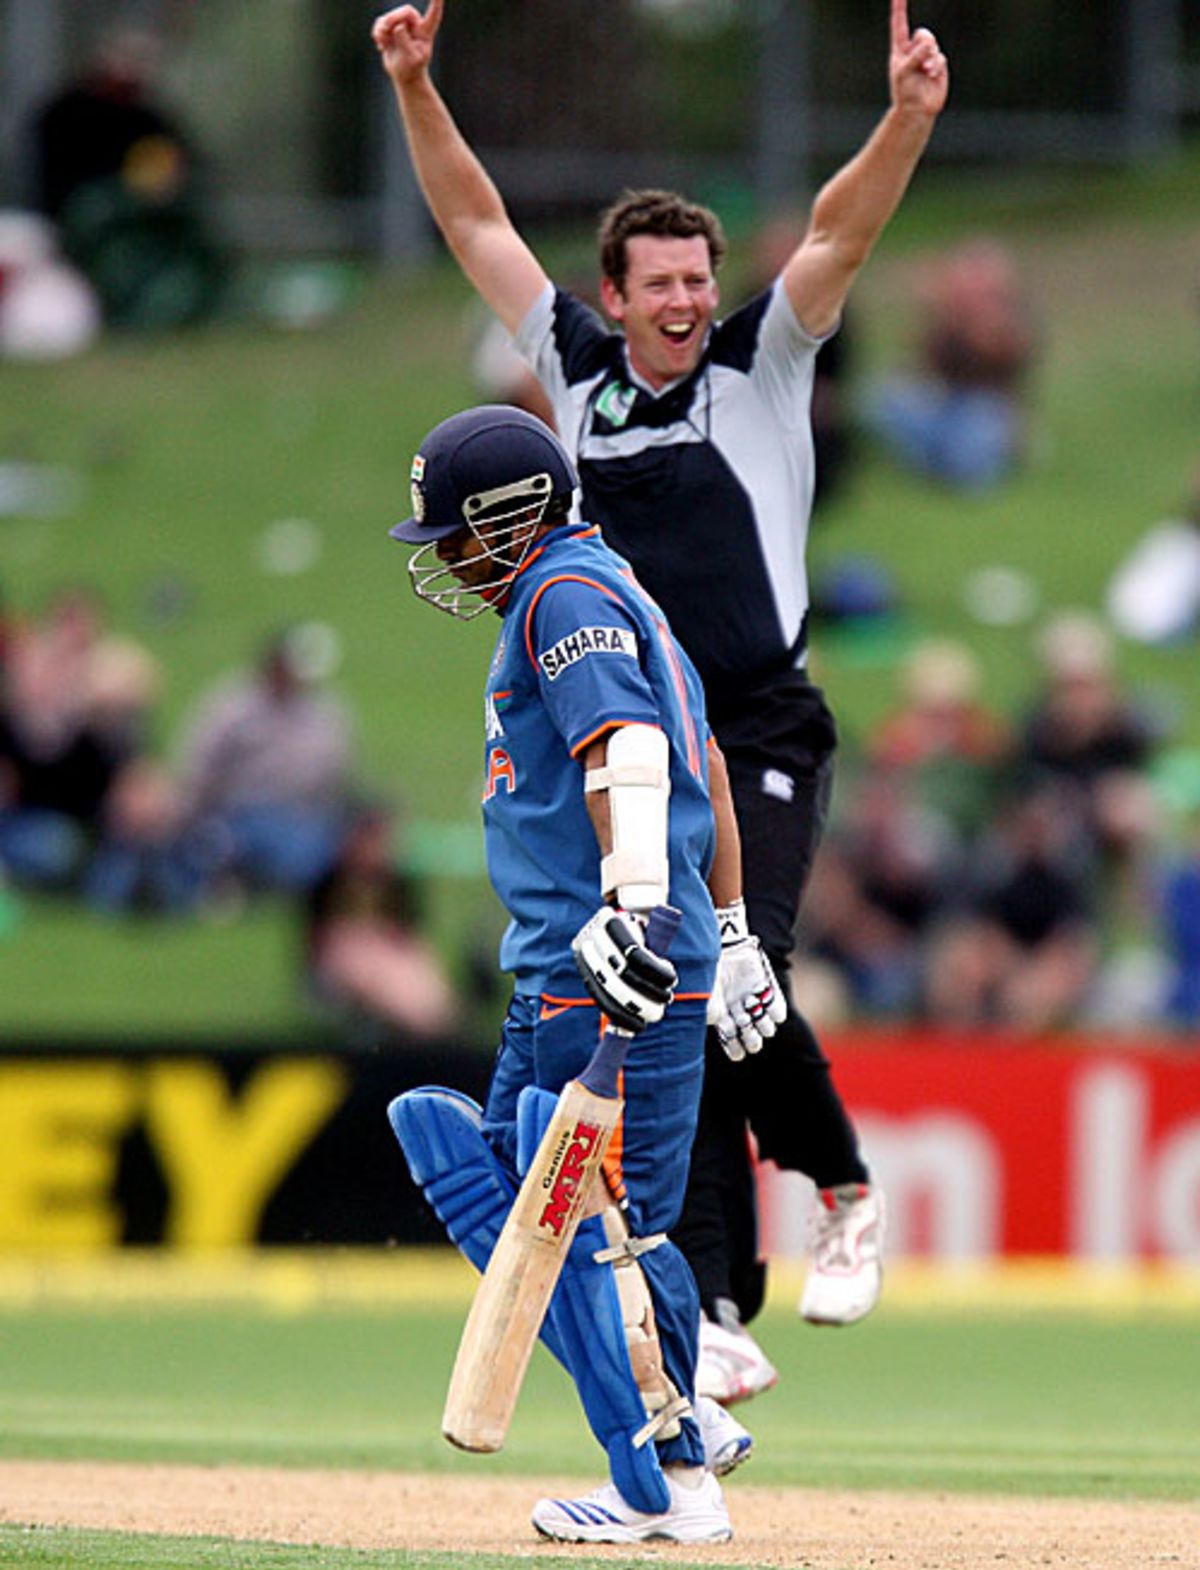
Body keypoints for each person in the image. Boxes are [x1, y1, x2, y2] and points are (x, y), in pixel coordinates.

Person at [373, 0, 948, 1400]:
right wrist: (413, 84)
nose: (691, 299)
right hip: (628, 722)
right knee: (669, 992)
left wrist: (911, 119)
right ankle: (719, 1304)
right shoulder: (571, 369)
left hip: (753, 720)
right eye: (664, 283)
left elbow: (839, 235)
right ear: (614, 295)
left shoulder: (767, 360)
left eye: (700, 276)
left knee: (735, 970)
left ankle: (843, 1187)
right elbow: (473, 225)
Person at [384, 405, 785, 1542]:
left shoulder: (563, 596)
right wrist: (735, 925)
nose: (450, 560)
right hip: (579, 953)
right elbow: (706, 752)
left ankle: (669, 1475)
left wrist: (632, 907)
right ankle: (682, 1409)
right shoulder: (610, 584)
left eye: (455, 534)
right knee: (515, 1183)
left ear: (507, 520)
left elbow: (639, 753)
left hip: (603, 960)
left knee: (598, 1222)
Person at [175, 628, 355, 896]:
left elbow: (336, 773)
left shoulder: (324, 712)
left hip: (302, 815)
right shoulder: (233, 707)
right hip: (238, 812)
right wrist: (190, 811)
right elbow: (199, 764)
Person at [868, 235, 1037, 490]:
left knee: (972, 447)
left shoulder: (1008, 326)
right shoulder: (943, 323)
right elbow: (919, 368)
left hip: (983, 408)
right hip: (942, 403)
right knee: (880, 403)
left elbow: (1009, 371)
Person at [302, 801, 460, 1039]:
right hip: (348, 958)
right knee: (376, 974)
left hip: (391, 952)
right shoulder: (329, 880)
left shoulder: (397, 882)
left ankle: (435, 1023)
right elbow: (317, 941)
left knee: (419, 981)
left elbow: (410, 931)